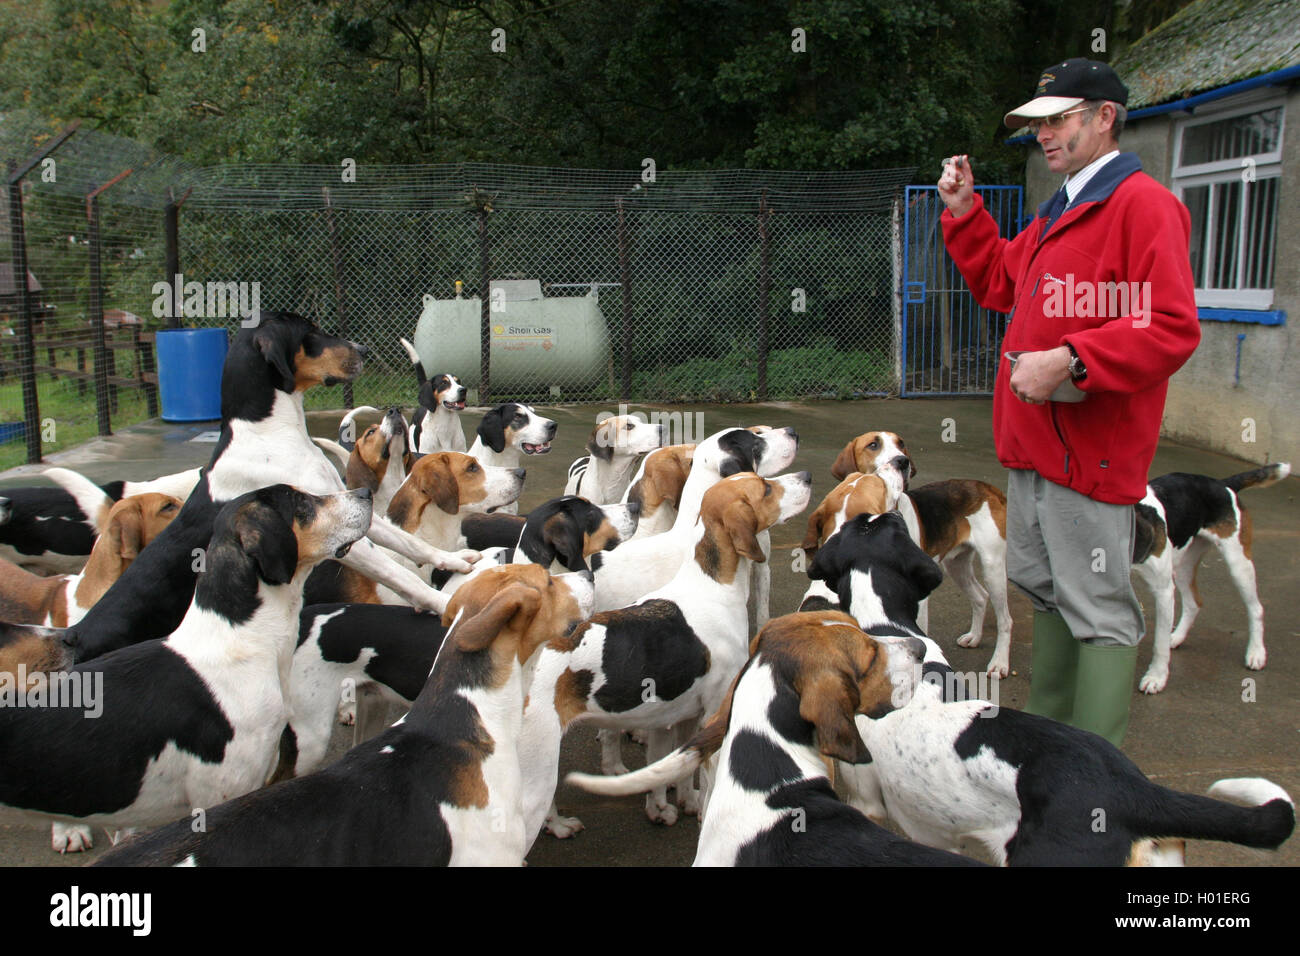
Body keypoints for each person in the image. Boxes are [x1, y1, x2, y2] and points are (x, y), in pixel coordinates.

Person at [936, 58, 1200, 746]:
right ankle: (1053, 755)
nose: (1043, 134)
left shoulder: (1145, 206)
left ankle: (1097, 782)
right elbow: (1000, 280)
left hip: (1092, 454)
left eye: (1057, 119)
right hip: (1032, 449)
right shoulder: (1063, 208)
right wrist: (965, 212)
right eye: (1036, 123)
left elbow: (1171, 327)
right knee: (1045, 589)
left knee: (1099, 608)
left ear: (1103, 117)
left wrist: (1077, 357)